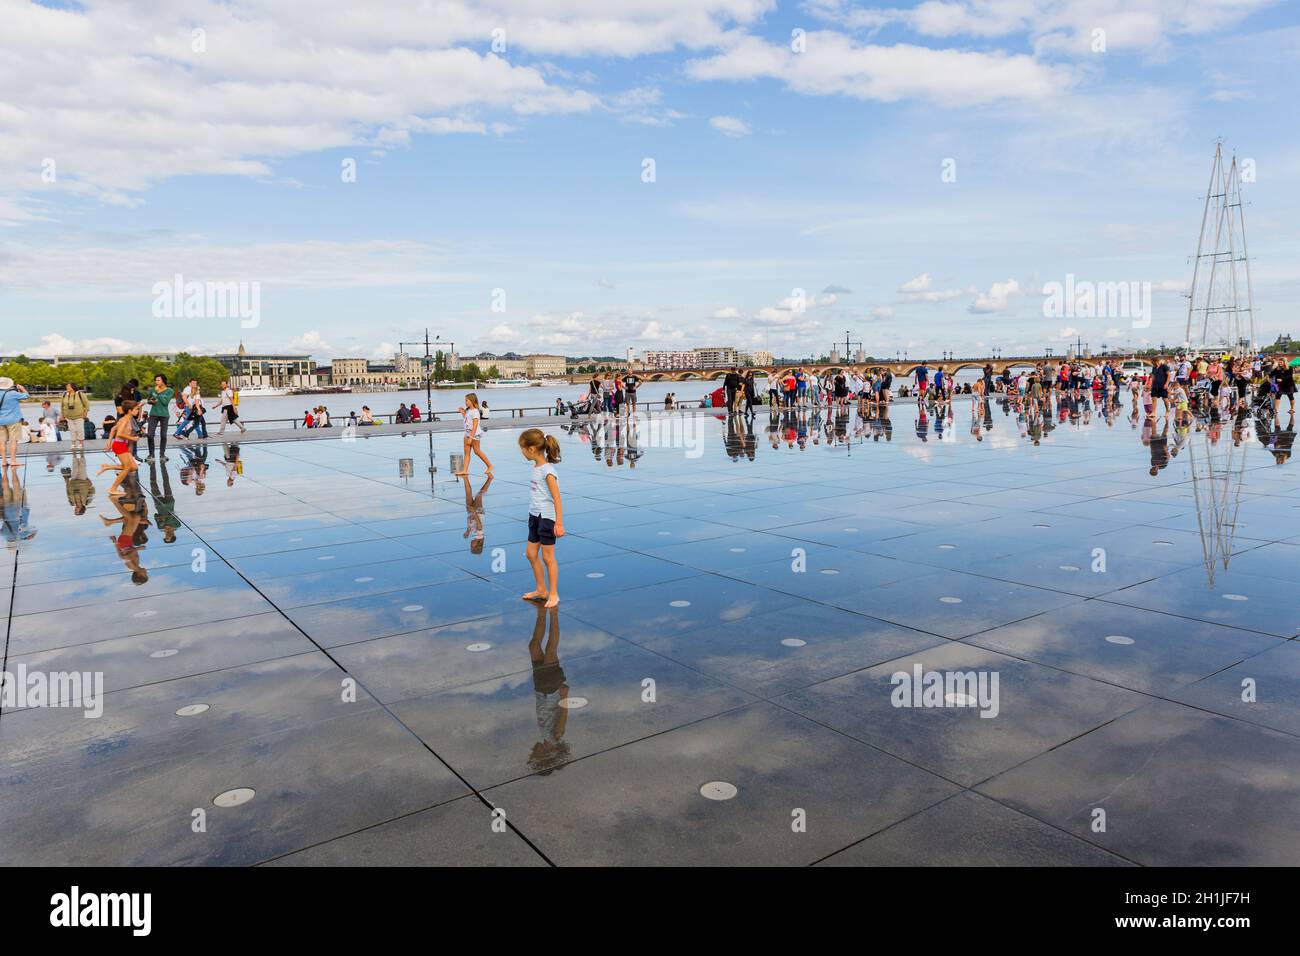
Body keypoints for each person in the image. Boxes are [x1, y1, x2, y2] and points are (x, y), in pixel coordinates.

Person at [518, 428, 564, 608]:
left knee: (548, 558)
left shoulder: (548, 471)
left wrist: (558, 523)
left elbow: (557, 498)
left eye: (522, 448)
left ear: (531, 449)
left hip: (547, 518)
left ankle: (553, 593)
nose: (521, 452)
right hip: (534, 515)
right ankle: (541, 589)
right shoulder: (536, 467)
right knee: (531, 554)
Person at [98, 398, 143, 497]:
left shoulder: (125, 418)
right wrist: (133, 438)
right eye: (136, 409)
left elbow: (114, 429)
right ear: (130, 411)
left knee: (134, 467)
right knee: (127, 468)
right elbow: (120, 433)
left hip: (120, 444)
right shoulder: (125, 420)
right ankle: (113, 488)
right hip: (119, 445)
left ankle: (107, 466)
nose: (138, 411)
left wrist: (109, 442)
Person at [455, 393, 492, 476]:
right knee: (466, 452)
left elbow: (475, 425)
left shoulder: (475, 411)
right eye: (465, 400)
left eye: (467, 400)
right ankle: (465, 470)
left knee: (477, 451)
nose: (465, 402)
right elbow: (467, 420)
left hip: (474, 434)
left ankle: (490, 465)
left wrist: (471, 437)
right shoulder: (468, 410)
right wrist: (463, 413)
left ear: (472, 401)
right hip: (467, 433)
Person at [0, 376, 29, 469]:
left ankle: (4, 461)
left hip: (1, 421)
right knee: (13, 441)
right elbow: (26, 396)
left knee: (2, 442)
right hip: (13, 420)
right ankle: (13, 461)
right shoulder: (13, 393)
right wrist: (22, 388)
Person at [144, 374, 174, 462]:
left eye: (158, 380)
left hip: (164, 415)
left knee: (163, 435)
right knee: (150, 435)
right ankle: (151, 455)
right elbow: (148, 400)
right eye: (156, 380)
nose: (156, 382)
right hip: (153, 414)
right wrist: (151, 401)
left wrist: (158, 394)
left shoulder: (169, 390)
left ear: (163, 381)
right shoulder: (153, 390)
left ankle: (162, 455)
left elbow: (165, 402)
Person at [61, 383, 90, 449]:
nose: (67, 387)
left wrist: (86, 413)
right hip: (68, 416)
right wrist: (62, 415)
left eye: (68, 386)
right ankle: (73, 443)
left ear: (73, 387)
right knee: (72, 430)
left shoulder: (80, 394)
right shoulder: (65, 394)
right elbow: (62, 405)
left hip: (79, 416)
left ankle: (81, 444)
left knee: (80, 430)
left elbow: (86, 404)